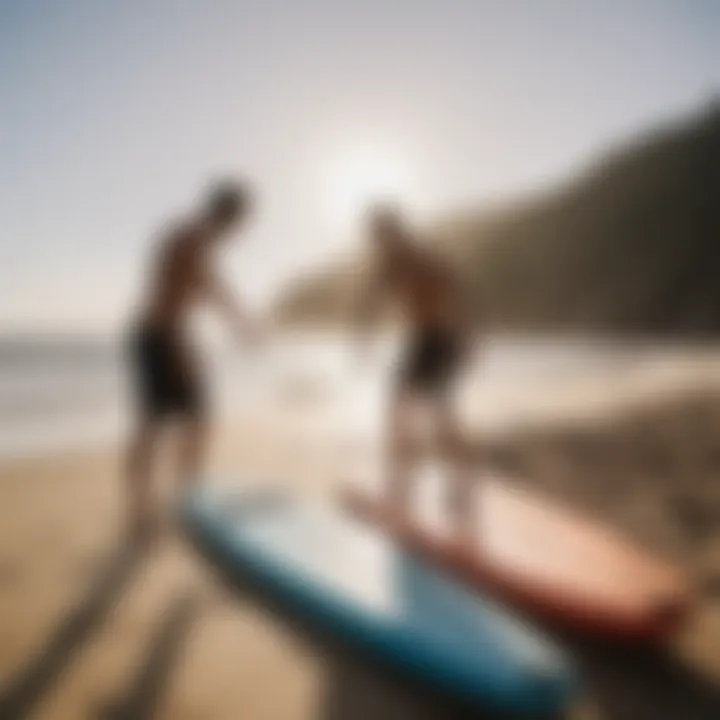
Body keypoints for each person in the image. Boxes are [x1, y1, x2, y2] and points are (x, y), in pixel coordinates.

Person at [125, 179, 258, 542]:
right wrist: (182, 350)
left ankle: (184, 504)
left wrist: (241, 323)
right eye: (241, 223)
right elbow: (175, 300)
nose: (240, 232)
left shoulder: (197, 242)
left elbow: (213, 288)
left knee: (192, 422)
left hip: (165, 336)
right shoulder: (190, 240)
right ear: (228, 216)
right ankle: (147, 511)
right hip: (159, 337)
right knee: (161, 424)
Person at [355, 202, 478, 545]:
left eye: (379, 236)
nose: (377, 244)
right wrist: (363, 335)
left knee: (440, 418)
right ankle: (402, 487)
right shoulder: (389, 266)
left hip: (439, 341)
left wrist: (468, 339)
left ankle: (460, 487)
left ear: (393, 232)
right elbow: (370, 301)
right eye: (375, 239)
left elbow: (455, 291)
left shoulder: (422, 257)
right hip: (419, 343)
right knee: (398, 413)